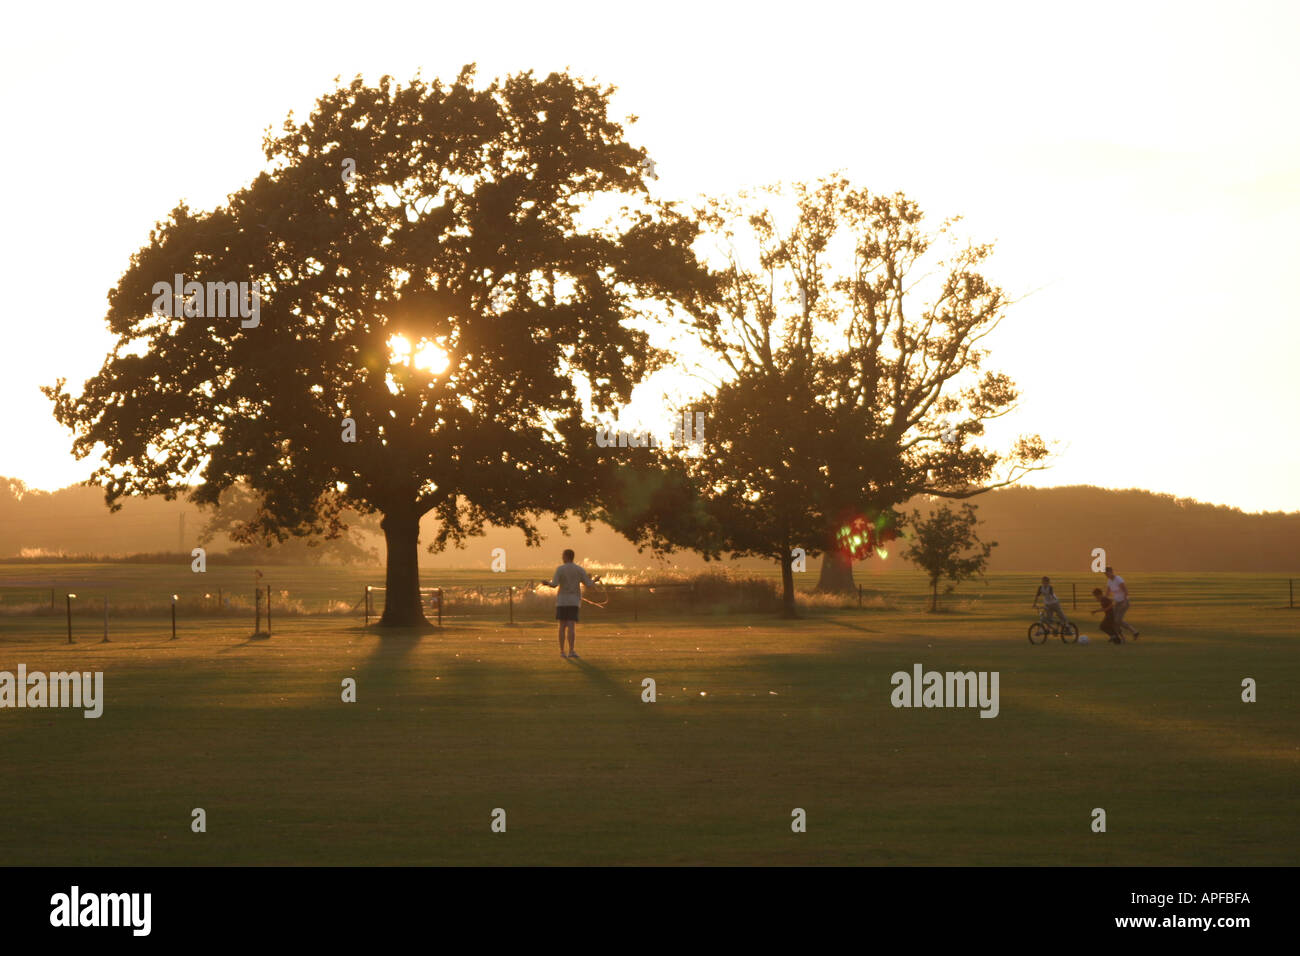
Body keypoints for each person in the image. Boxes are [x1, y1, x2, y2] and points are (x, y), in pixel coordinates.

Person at [544, 549, 599, 659]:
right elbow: (588, 584)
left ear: (566, 557)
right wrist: (595, 580)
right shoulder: (579, 569)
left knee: (561, 627)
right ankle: (571, 651)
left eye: (563, 556)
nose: (562, 558)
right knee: (571, 626)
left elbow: (554, 584)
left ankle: (562, 652)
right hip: (574, 601)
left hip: (562, 601)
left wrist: (547, 583)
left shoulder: (560, 569)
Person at [1104, 566, 1140, 640]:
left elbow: (1125, 590)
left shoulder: (1118, 579)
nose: (1106, 575)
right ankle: (1132, 633)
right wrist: (1104, 600)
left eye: (1107, 573)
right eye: (1105, 574)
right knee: (1114, 620)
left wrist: (1125, 601)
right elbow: (1107, 592)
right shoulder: (1109, 581)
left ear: (1111, 572)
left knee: (1117, 620)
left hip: (1124, 602)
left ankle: (1125, 634)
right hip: (1117, 602)